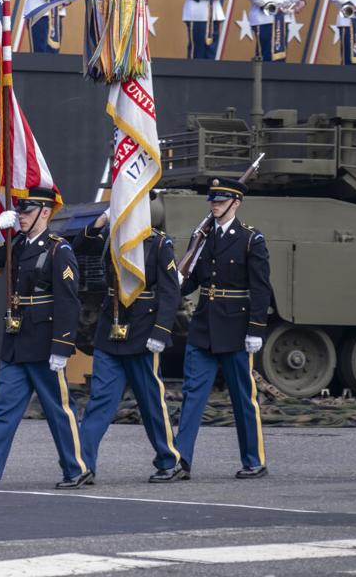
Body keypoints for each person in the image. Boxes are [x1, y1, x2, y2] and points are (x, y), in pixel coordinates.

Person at [0, 188, 89, 491]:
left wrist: (62, 347)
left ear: (45, 213)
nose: (21, 217)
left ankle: (77, 468)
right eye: (19, 212)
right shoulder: (16, 246)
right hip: (17, 340)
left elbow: (69, 303)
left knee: (58, 409)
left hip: (45, 344)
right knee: (6, 406)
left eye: (27, 212)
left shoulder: (59, 250)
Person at [74, 206, 186, 483]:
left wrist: (161, 332)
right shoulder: (112, 236)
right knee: (99, 402)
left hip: (144, 333)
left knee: (151, 403)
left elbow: (171, 292)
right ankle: (82, 466)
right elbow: (80, 248)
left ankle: (169, 461)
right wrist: (101, 221)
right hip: (110, 331)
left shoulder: (159, 243)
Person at [174, 179, 273, 480]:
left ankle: (253, 460)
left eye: (221, 200)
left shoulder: (250, 239)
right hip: (204, 325)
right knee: (192, 394)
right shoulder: (203, 238)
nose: (214, 204)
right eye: (213, 201)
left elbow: (260, 288)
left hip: (236, 328)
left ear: (236, 203)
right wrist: (177, 279)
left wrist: (256, 329)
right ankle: (180, 461)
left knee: (243, 397)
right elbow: (193, 281)